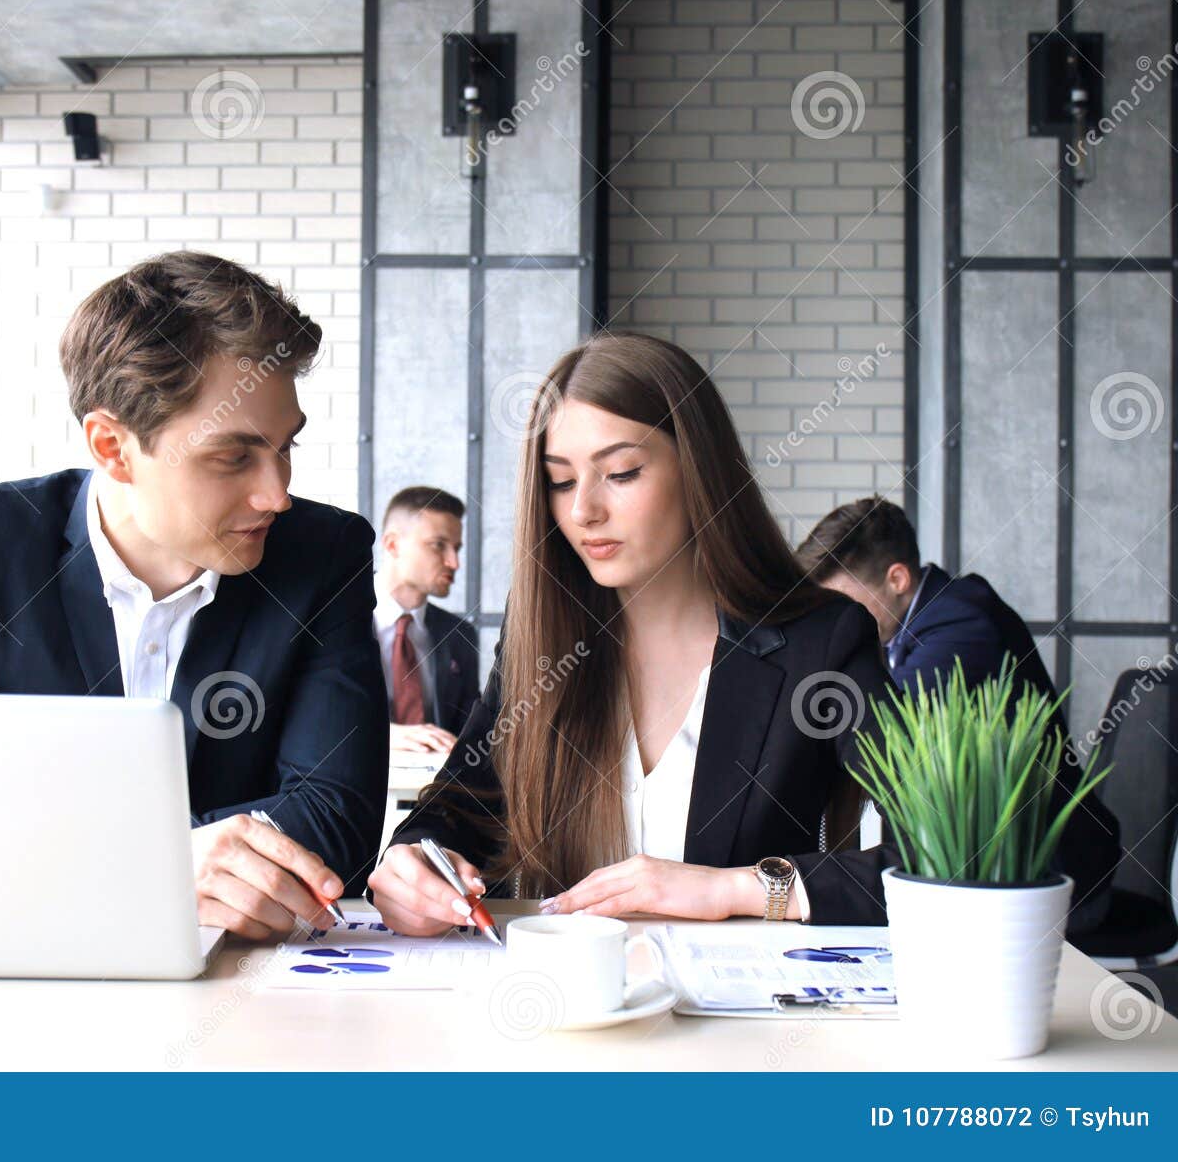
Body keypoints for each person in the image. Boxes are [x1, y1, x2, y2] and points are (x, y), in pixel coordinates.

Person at [0, 251, 388, 940]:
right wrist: (160, 863)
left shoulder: (322, 555)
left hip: (241, 987)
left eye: (285, 447)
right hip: (25, 958)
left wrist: (54, 852)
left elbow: (338, 819)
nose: (276, 494)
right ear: (112, 446)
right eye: (234, 456)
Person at [369, 332, 899, 936]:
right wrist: (412, 861)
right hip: (558, 1007)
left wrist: (736, 888)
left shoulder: (818, 640)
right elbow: (461, 806)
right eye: (562, 482)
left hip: (734, 1018)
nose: (582, 511)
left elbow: (954, 854)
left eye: (620, 473)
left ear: (700, 470)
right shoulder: (543, 630)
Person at [796, 496, 1119, 932]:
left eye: (843, 604)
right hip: (996, 877)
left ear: (897, 578)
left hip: (1050, 882)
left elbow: (888, 733)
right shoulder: (924, 624)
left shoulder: (961, 624)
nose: (836, 621)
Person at [374, 486, 481, 754]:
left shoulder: (460, 636)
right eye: (438, 545)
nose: (454, 562)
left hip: (435, 791)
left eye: (456, 548)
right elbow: (305, 713)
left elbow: (470, 730)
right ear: (392, 545)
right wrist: (380, 735)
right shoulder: (335, 619)